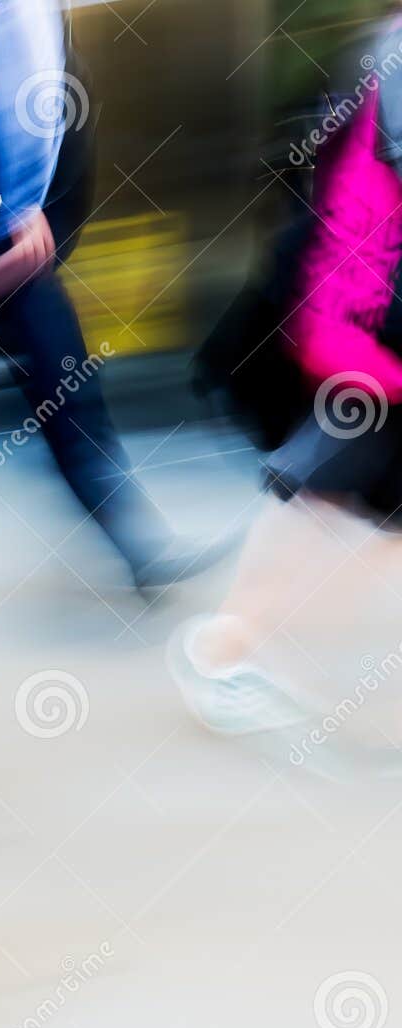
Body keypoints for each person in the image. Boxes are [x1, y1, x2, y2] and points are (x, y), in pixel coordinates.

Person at [0, 0, 214, 592]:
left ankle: (140, 551)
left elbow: (47, 119)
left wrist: (33, 214)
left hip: (16, 249)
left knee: (68, 397)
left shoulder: (25, 13)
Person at [172, 32, 402, 739]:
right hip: (366, 333)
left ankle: (230, 649)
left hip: (360, 327)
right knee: (325, 497)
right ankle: (223, 650)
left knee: (353, 507)